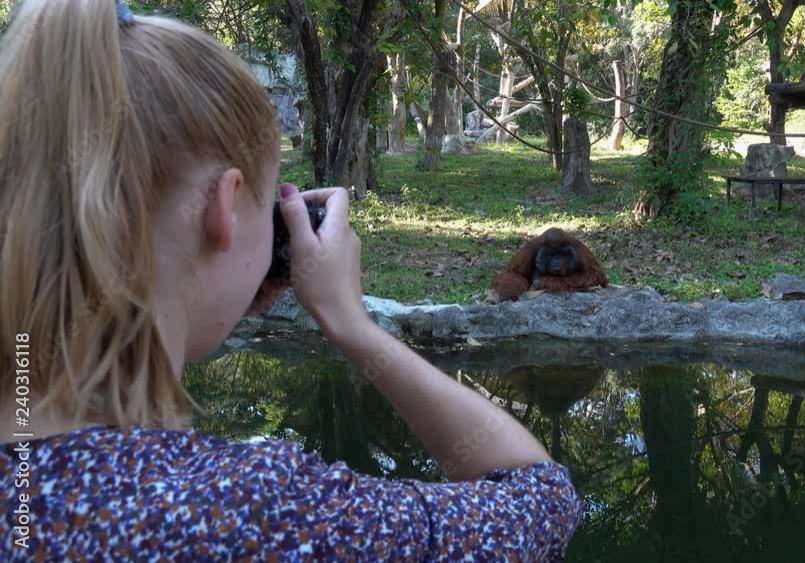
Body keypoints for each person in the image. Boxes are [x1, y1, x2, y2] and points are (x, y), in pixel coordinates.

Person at [0, 1, 580, 560]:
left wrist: (216, 287)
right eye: (270, 201)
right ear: (223, 208)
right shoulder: (249, 510)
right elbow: (539, 499)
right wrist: (353, 325)